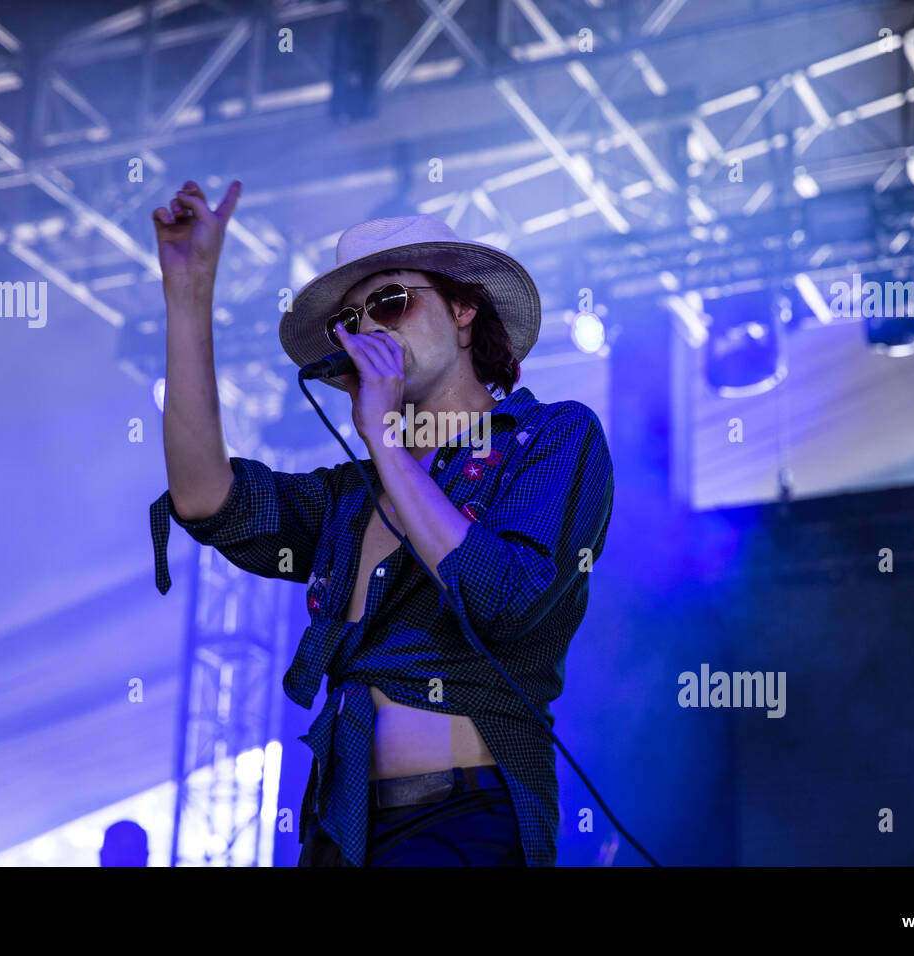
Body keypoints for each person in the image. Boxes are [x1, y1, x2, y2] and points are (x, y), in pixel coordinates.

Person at [147, 180, 614, 866]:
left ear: (462, 309)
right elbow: (204, 498)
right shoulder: (349, 494)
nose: (371, 326)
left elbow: (507, 598)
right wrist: (189, 296)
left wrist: (386, 439)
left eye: (391, 300)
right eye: (351, 320)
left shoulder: (548, 437)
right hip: (341, 828)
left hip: (464, 822)